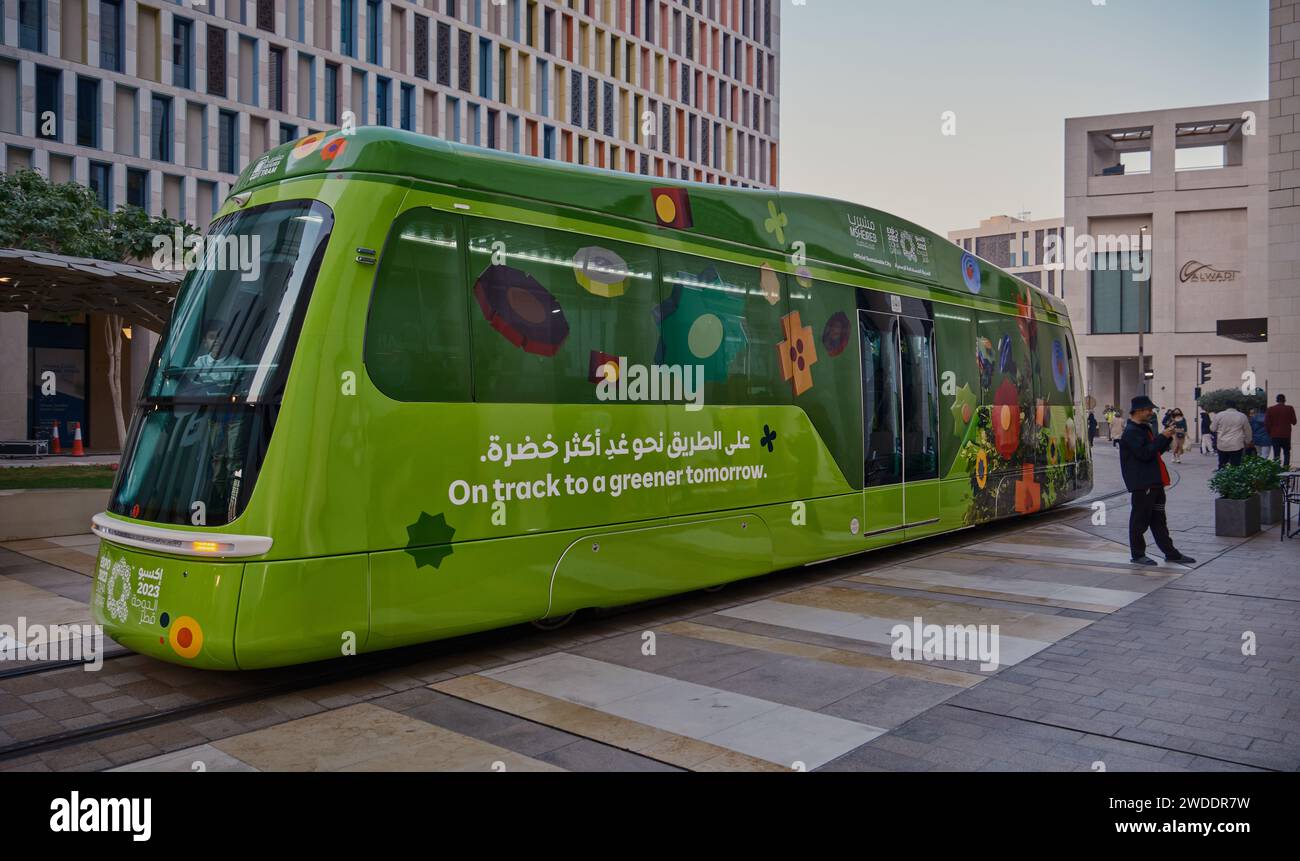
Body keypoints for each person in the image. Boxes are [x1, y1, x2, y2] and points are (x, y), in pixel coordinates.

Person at [1118, 395, 1196, 567]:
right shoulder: (1131, 432)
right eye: (1148, 410)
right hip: (1143, 484)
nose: (1151, 413)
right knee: (1140, 521)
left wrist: (1167, 437)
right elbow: (1144, 454)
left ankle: (1171, 553)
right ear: (1138, 411)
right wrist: (1162, 437)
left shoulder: (1144, 429)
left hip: (1154, 482)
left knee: (1159, 520)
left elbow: (1155, 452)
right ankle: (1138, 555)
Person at [1210, 398, 1253, 469]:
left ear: (1226, 406)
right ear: (1235, 406)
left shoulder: (1219, 415)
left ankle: (1221, 478)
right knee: (1236, 466)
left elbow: (1212, 428)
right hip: (1237, 444)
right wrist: (1248, 441)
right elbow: (1248, 430)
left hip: (1222, 444)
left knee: (1222, 464)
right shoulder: (1242, 416)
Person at [1265, 393, 1296, 468]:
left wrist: (1270, 433)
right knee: (1286, 453)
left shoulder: (1270, 409)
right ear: (1284, 400)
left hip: (1275, 435)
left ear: (1276, 400)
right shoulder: (1290, 408)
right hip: (1286, 435)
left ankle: (1277, 470)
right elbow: (1294, 422)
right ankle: (1285, 469)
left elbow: (1267, 423)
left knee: (1276, 454)